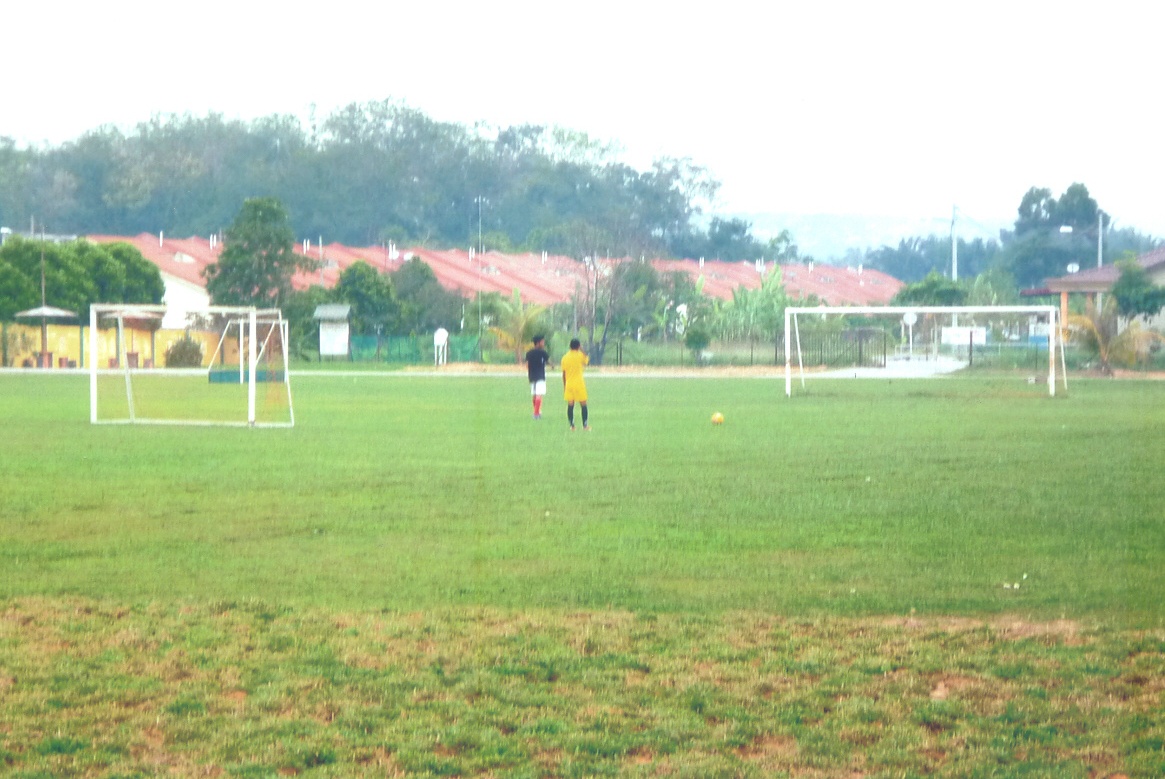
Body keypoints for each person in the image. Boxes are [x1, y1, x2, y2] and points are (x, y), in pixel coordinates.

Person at [560, 338, 590, 431]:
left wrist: (564, 385)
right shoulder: (580, 355)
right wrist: (582, 350)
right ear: (578, 346)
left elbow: (564, 373)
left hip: (569, 384)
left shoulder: (565, 357)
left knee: (570, 404)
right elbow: (587, 361)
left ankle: (572, 425)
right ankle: (585, 425)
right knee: (583, 404)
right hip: (579, 383)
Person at [524, 335, 551, 419]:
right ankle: (536, 414)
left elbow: (527, 365)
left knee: (535, 394)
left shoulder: (529, 353)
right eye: (542, 342)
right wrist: (553, 366)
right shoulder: (543, 352)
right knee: (539, 394)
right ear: (538, 343)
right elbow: (548, 361)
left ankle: (537, 411)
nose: (543, 343)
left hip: (532, 376)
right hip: (540, 376)